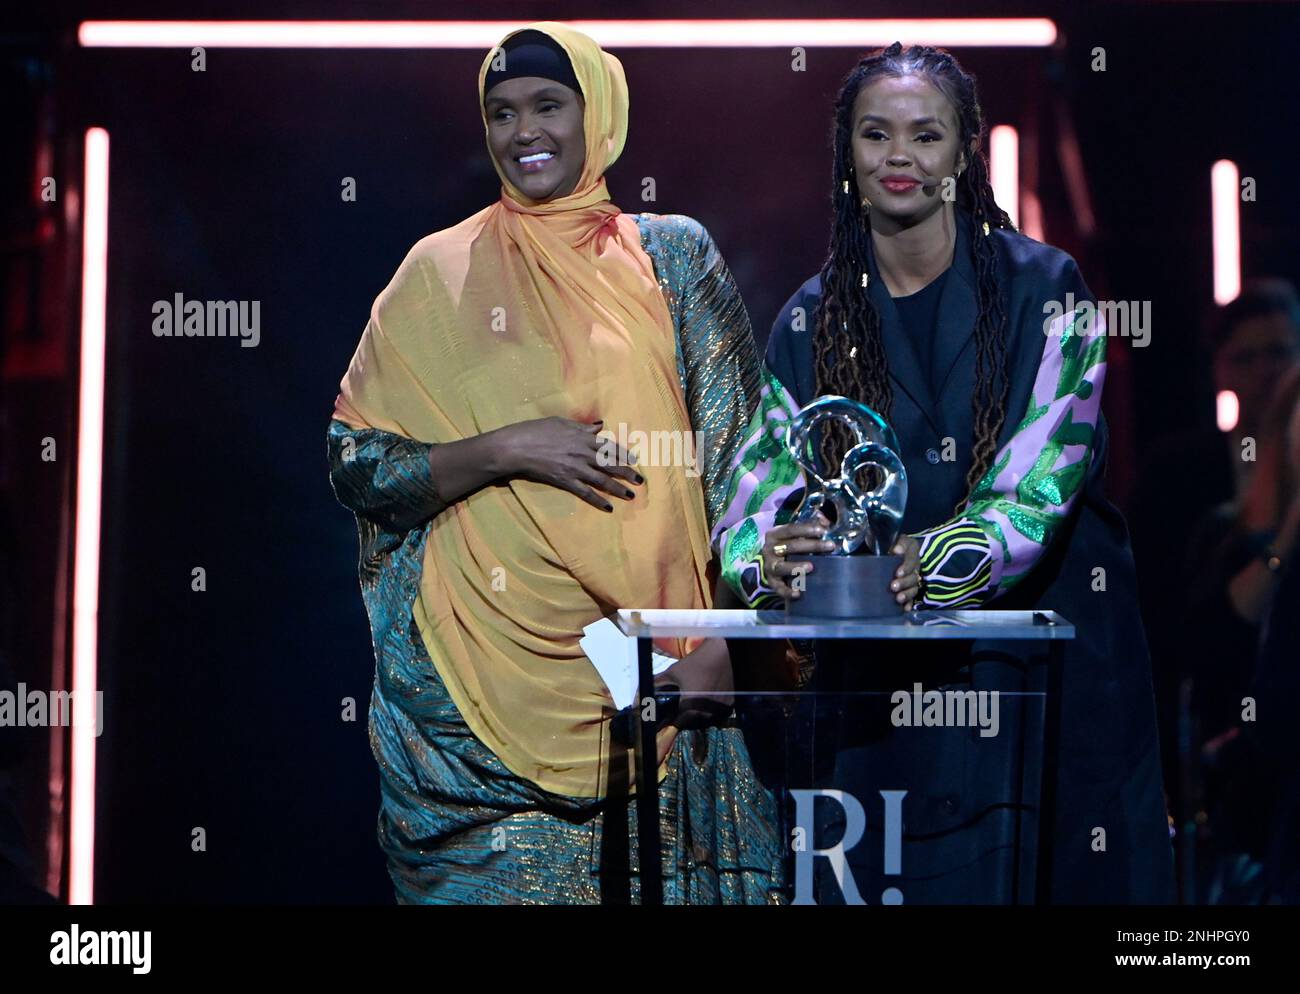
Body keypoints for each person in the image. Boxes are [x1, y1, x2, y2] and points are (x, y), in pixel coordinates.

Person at [327, 22, 782, 904]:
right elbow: (356, 467)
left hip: (664, 690)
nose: (524, 130)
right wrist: (508, 448)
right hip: (472, 720)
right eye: (501, 113)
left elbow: (747, 467)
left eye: (547, 105)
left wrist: (725, 644)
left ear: (597, 113)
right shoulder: (438, 270)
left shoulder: (672, 257)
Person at [710, 42, 1175, 903]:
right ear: (846, 152)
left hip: (1045, 666)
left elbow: (1037, 492)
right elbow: (752, 499)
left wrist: (924, 560)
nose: (899, 158)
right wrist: (764, 560)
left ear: (965, 153)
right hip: (886, 699)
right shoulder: (810, 321)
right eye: (875, 134)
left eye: (926, 136)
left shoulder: (1050, 289)